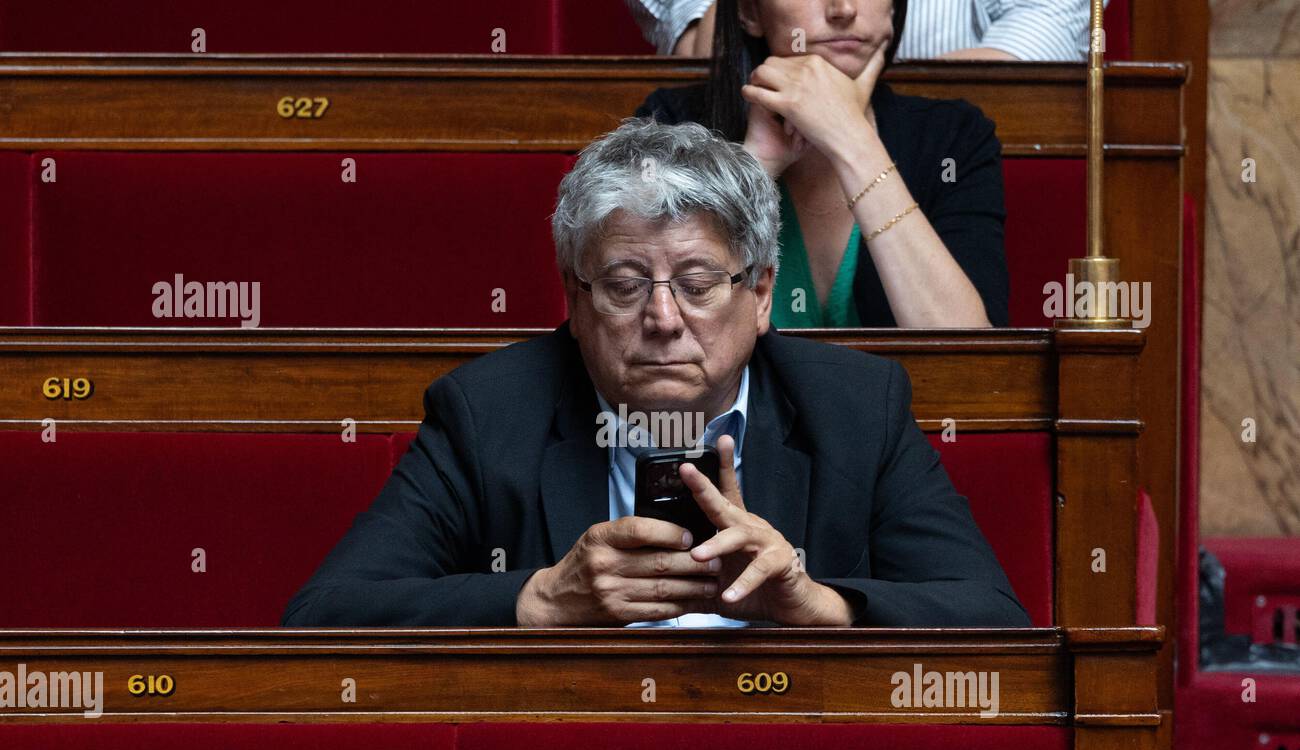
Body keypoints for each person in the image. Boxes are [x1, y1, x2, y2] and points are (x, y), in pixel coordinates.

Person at [281, 119, 1028, 629]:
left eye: (698, 285)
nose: (664, 318)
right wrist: (539, 600)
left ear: (761, 294)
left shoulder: (855, 408)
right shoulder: (488, 413)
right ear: (575, 299)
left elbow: (992, 616)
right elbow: (324, 614)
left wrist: (816, 605)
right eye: (625, 285)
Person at [636, 0, 1009, 329]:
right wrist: (755, 165)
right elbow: (659, 318)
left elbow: (971, 353)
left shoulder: (953, 138)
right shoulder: (673, 123)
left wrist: (853, 142)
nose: (843, 10)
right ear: (750, 11)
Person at [627, 0, 1109, 60]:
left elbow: (1027, 58)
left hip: (950, 167)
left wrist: (853, 119)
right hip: (761, 149)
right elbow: (707, 61)